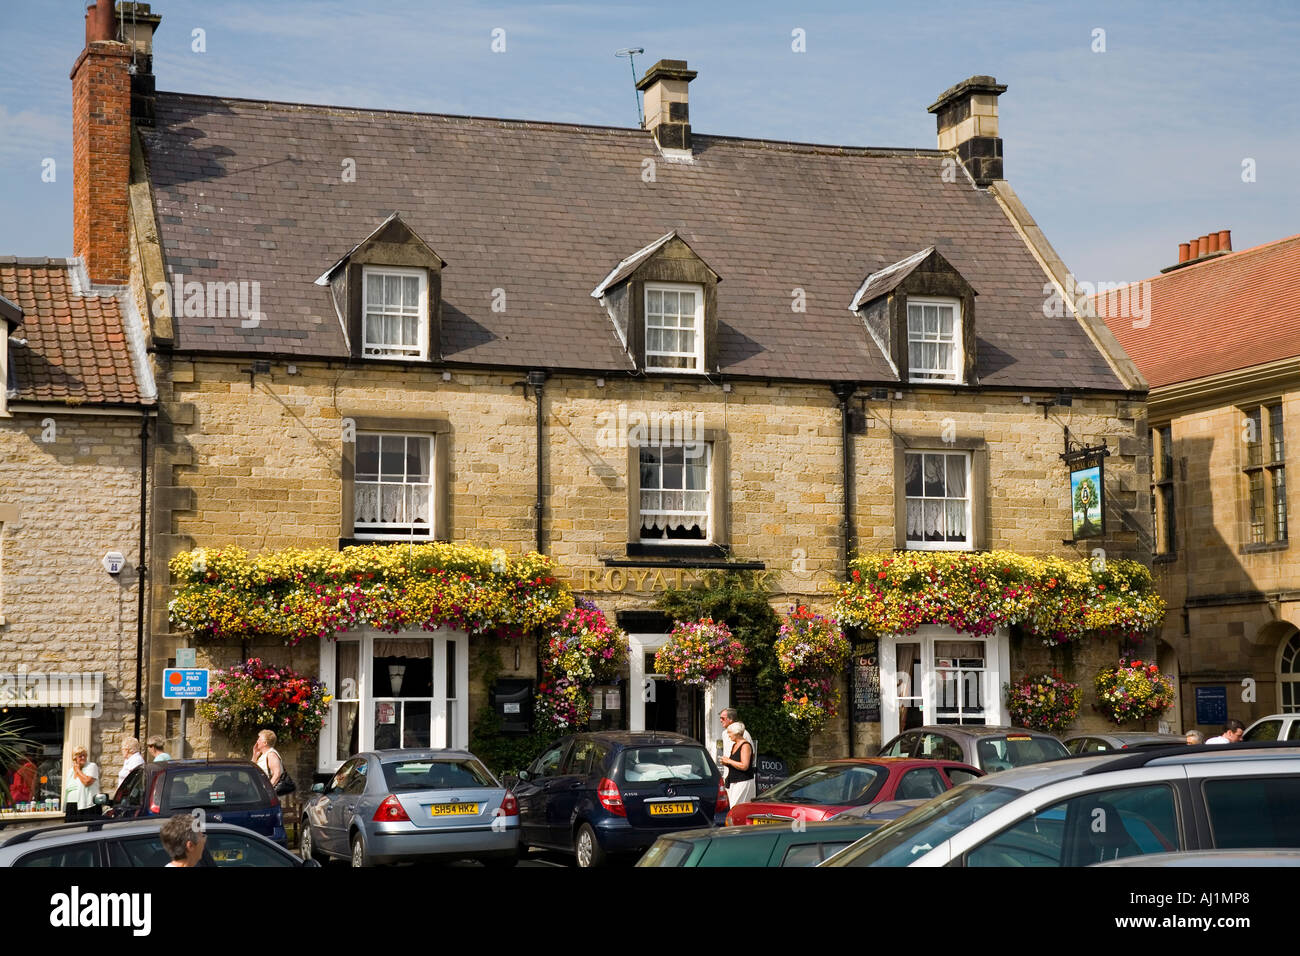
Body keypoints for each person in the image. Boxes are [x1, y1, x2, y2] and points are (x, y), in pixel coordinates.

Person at [719, 722, 756, 811]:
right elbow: (735, 763)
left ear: (736, 733)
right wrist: (727, 763)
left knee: (735, 809)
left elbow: (744, 766)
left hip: (743, 782)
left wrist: (729, 761)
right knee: (734, 808)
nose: (728, 735)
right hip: (733, 782)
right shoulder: (735, 745)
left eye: (730, 733)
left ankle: (736, 825)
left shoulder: (745, 745)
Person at [63, 746, 100, 821]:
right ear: (74, 758)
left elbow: (87, 782)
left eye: (85, 755)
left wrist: (78, 770)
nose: (83, 757)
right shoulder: (70, 771)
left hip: (87, 806)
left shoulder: (91, 766)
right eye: (80, 756)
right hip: (71, 806)